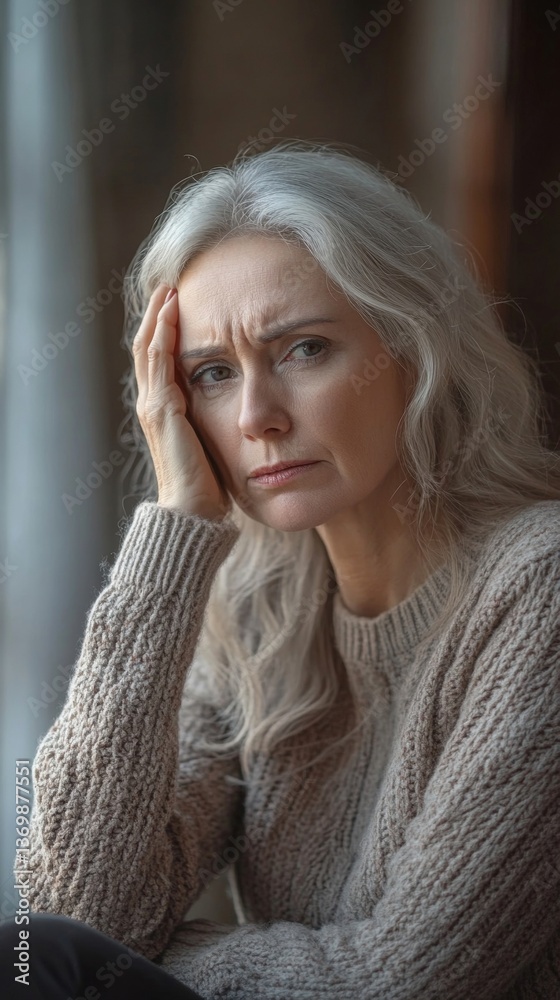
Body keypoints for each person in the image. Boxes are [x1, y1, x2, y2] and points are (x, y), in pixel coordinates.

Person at [3, 139, 560, 999]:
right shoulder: (253, 605)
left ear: (410, 349)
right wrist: (174, 530)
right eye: (213, 375)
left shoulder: (539, 585)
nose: (257, 416)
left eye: (304, 350)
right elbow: (79, 911)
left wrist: (150, 965)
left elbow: (402, 984)